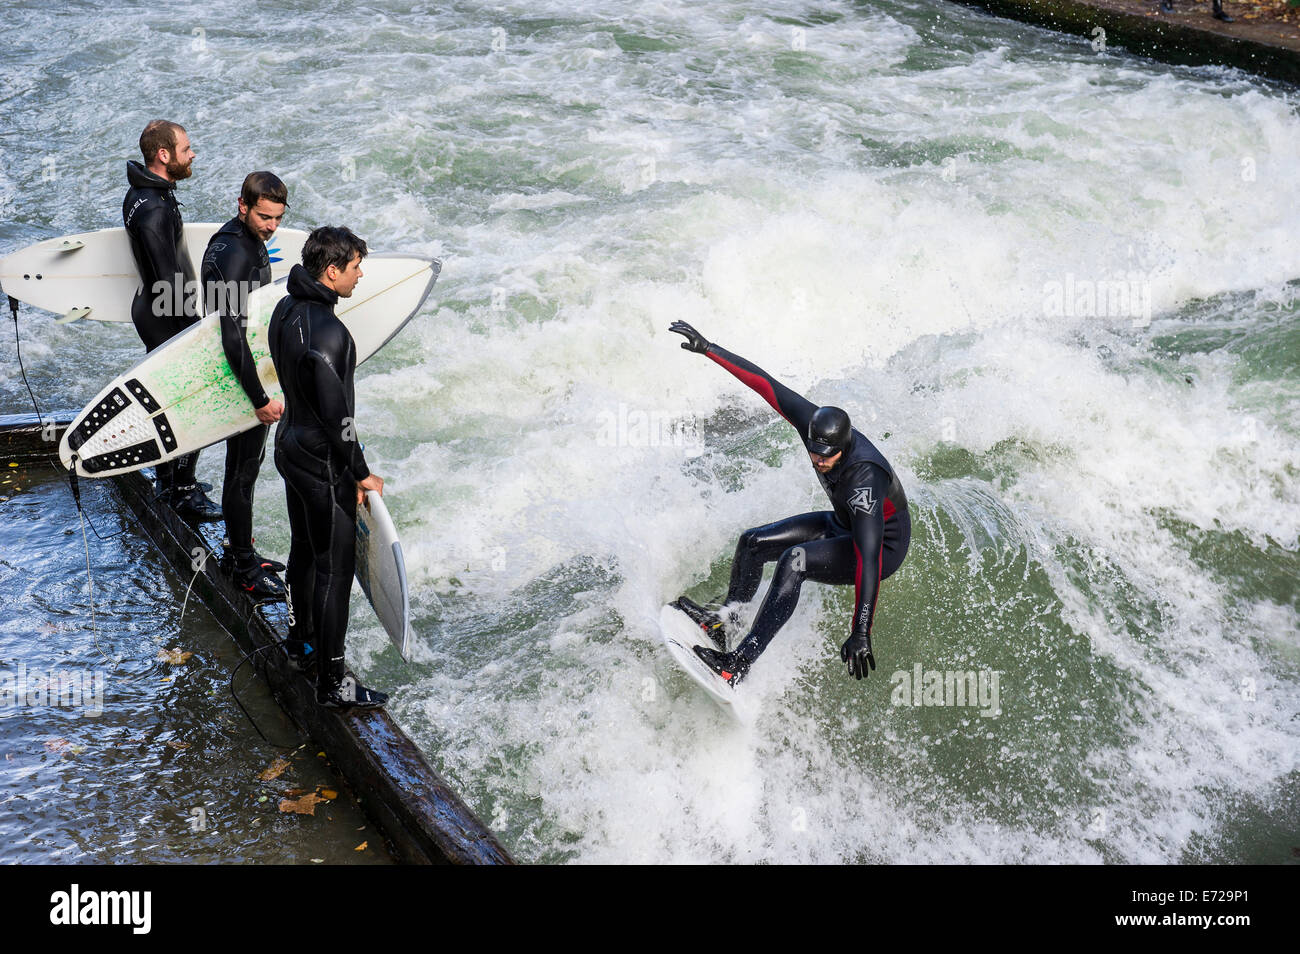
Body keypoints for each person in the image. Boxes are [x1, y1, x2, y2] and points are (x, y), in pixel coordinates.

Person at [668, 320, 911, 685]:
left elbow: (869, 557)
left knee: (793, 561)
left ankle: (739, 662)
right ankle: (724, 623)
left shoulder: (865, 479)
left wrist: (862, 630)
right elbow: (766, 385)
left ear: (844, 449)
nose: (818, 461)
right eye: (814, 452)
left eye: (826, 457)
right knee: (753, 542)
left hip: (881, 547)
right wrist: (710, 348)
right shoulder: (813, 424)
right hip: (842, 522)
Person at [269, 226, 387, 709]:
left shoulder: (285, 309)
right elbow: (340, 421)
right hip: (321, 465)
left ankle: (300, 643)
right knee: (334, 572)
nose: (361, 275)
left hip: (289, 449)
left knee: (302, 552)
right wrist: (360, 473)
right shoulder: (331, 333)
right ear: (332, 270)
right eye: (356, 267)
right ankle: (332, 682)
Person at [122, 119, 221, 521]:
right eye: (185, 148)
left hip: (153, 307)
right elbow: (167, 279)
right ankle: (180, 491)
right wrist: (195, 332)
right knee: (189, 402)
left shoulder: (141, 193)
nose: (192, 153)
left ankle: (172, 480)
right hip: (167, 313)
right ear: (163, 155)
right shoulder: (154, 211)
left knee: (169, 400)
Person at [201, 171, 290, 600]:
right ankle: (243, 568)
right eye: (264, 216)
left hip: (245, 364)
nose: (272, 226)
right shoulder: (234, 254)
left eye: (277, 218)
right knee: (241, 473)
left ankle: (239, 547)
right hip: (240, 372)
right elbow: (231, 333)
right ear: (242, 205)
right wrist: (258, 398)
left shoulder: (239, 238)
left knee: (244, 471)